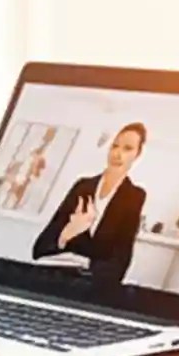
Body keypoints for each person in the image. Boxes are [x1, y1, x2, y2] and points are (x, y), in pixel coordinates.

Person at [31, 122, 149, 285]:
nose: (117, 154)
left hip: (92, 287)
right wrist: (67, 233)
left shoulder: (134, 196)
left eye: (127, 148)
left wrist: (87, 267)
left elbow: (120, 261)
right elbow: (39, 249)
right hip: (56, 282)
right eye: (114, 146)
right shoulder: (83, 186)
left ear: (137, 154)